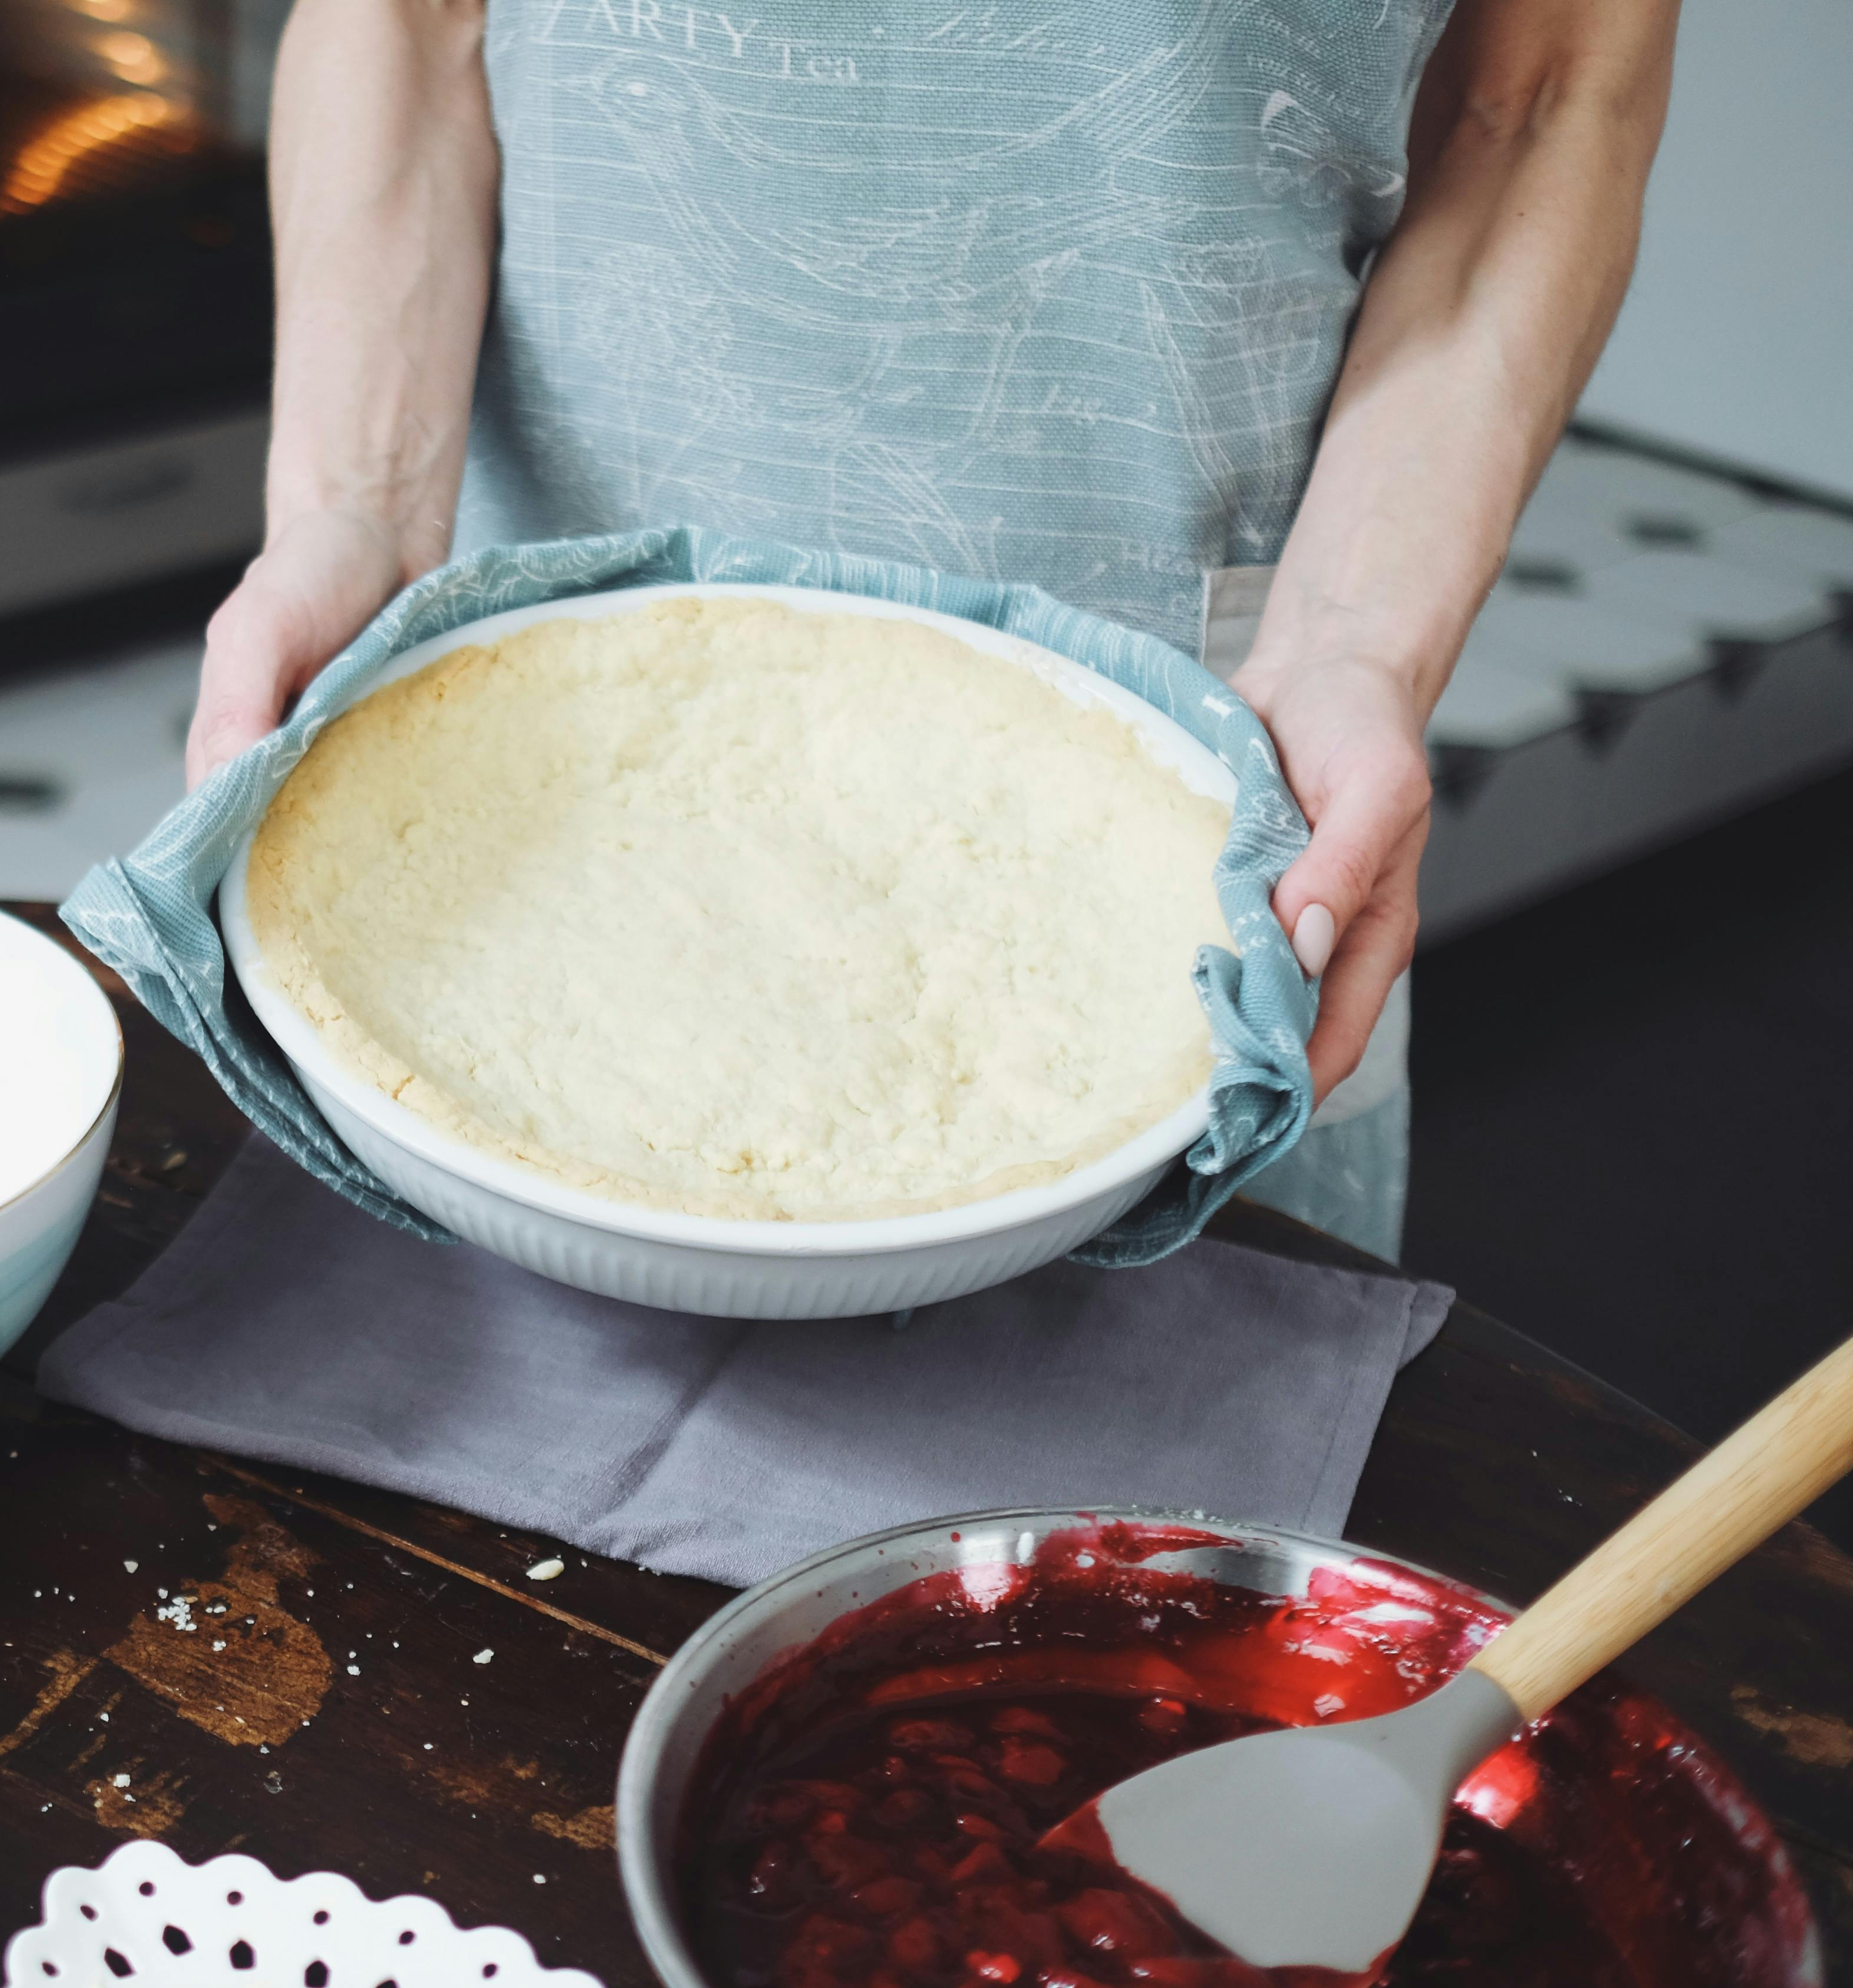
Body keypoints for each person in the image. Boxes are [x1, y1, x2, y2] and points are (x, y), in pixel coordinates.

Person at [184, 0, 1678, 1259]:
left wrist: (1358, 638)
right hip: (516, 793)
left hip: (1206, 793)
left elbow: (1539, 98)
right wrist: (359, 515)